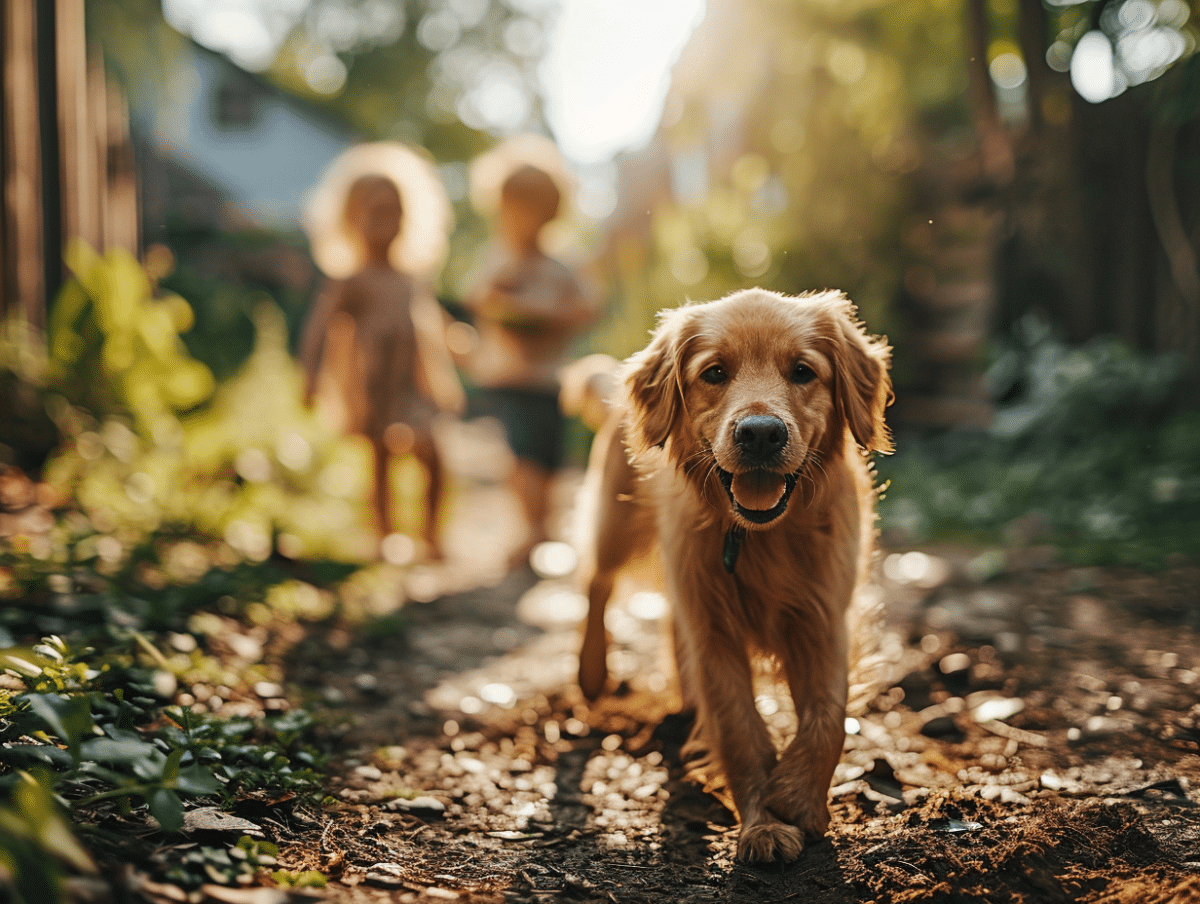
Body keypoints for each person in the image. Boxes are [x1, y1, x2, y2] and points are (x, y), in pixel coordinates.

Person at [300, 144, 464, 561]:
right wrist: (310, 376)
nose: (385, 222)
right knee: (380, 459)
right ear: (351, 220)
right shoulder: (351, 281)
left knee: (432, 450)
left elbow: (428, 318)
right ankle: (385, 535)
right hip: (371, 382)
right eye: (374, 212)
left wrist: (455, 341)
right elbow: (320, 329)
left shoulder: (411, 276)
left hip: (415, 380)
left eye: (394, 211)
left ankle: (431, 534)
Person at [464, 137, 596, 569]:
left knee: (552, 456)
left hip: (552, 376)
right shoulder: (500, 260)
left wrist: (551, 314)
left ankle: (544, 525)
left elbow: (585, 307)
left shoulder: (561, 266)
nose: (524, 220)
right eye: (514, 209)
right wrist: (506, 298)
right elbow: (476, 296)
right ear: (500, 209)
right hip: (511, 374)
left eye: (535, 209)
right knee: (521, 456)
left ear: (553, 212)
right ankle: (531, 529)